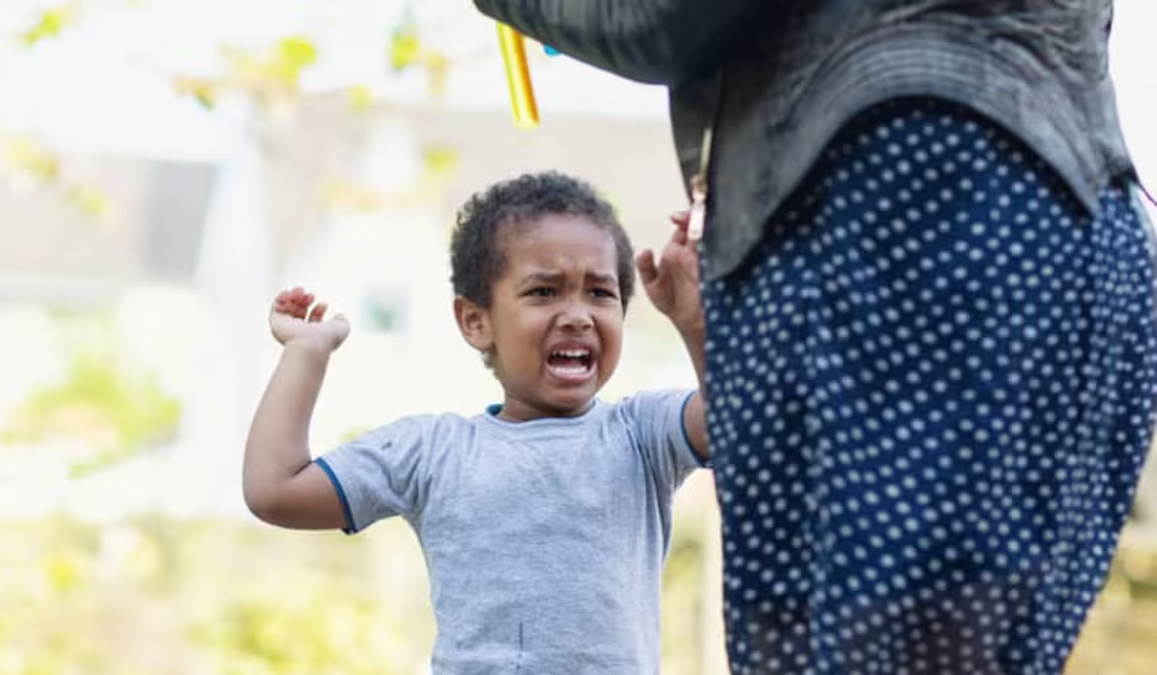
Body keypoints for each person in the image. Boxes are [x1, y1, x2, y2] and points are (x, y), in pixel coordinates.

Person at [473, 2, 1157, 673]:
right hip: (1051, 212)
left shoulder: (631, 433)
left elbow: (664, 17)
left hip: (918, 200)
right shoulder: (445, 447)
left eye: (597, 290)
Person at [242, 170, 711, 674]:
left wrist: (698, 323)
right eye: (544, 292)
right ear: (475, 321)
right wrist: (305, 352)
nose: (578, 314)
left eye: (600, 293)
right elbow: (276, 490)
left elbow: (736, 421)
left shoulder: (641, 434)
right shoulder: (434, 451)